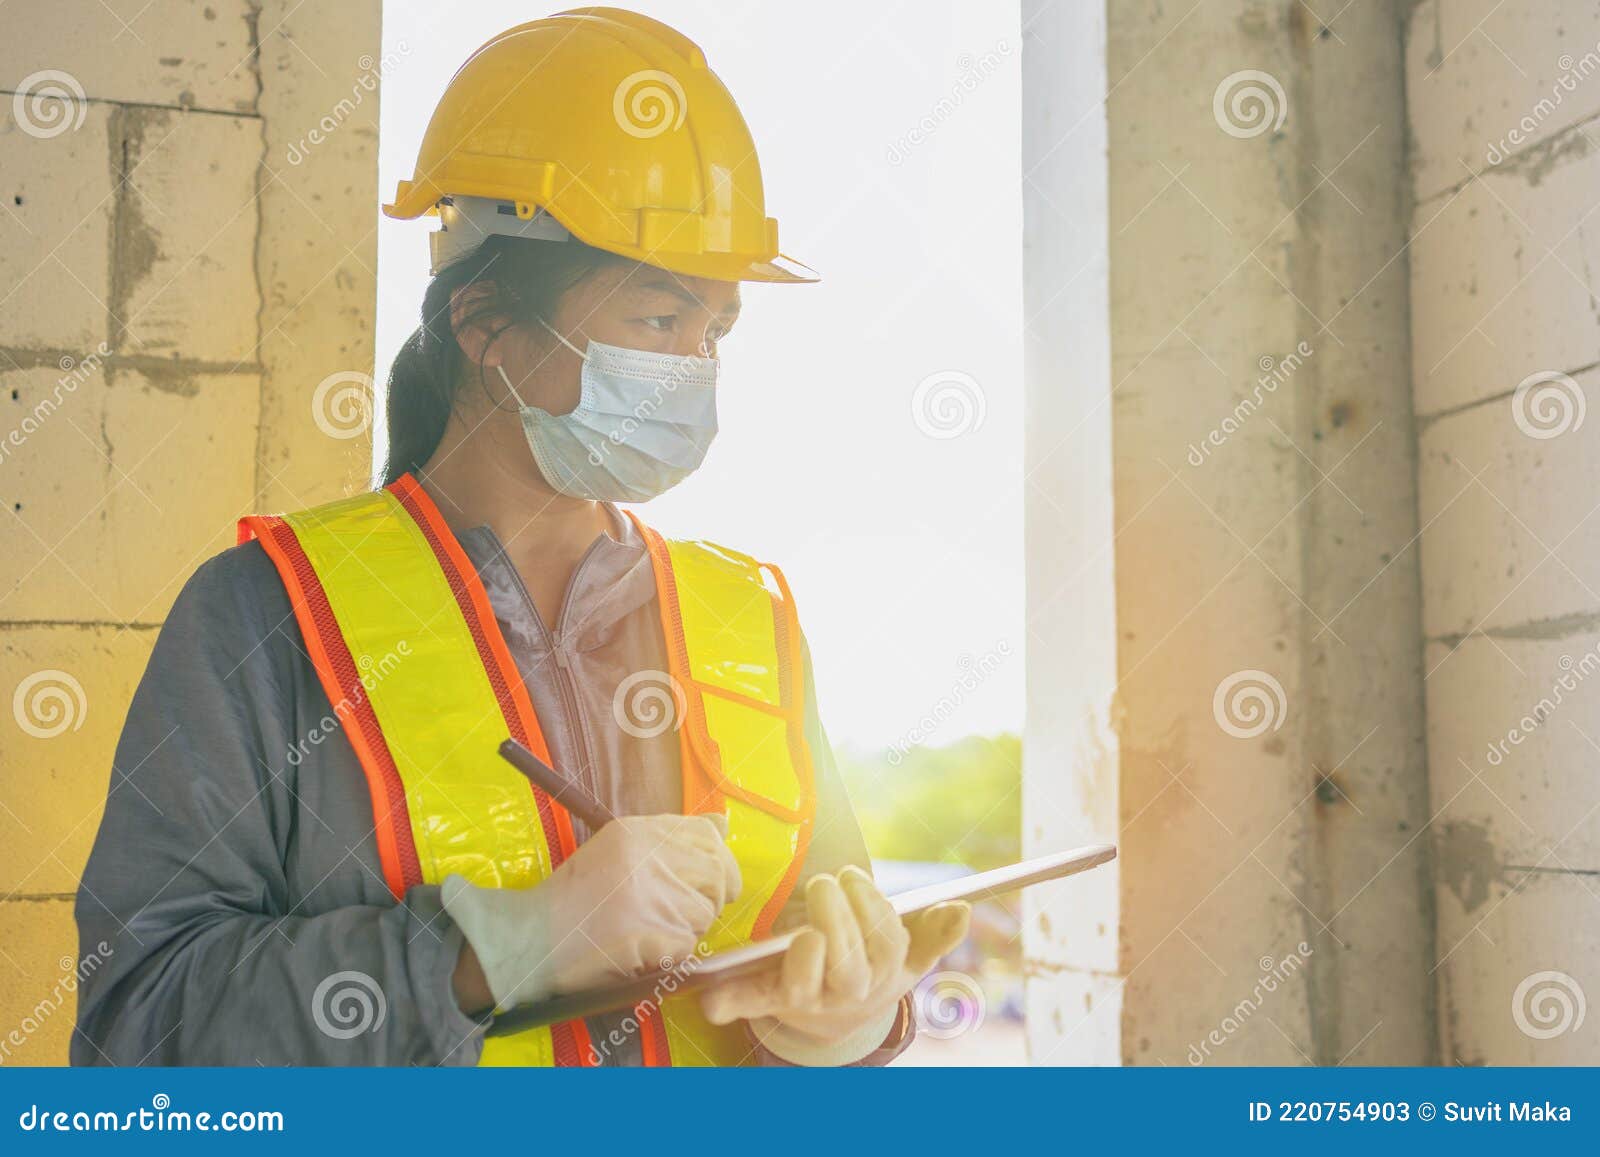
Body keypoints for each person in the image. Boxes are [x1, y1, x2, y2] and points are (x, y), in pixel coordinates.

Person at [73, 8, 968, 1068]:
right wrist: (498, 948)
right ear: (485, 321)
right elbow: (139, 1027)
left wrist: (839, 1022)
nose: (695, 366)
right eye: (657, 320)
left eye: (716, 330)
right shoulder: (268, 615)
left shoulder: (751, 621)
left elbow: (807, 961)